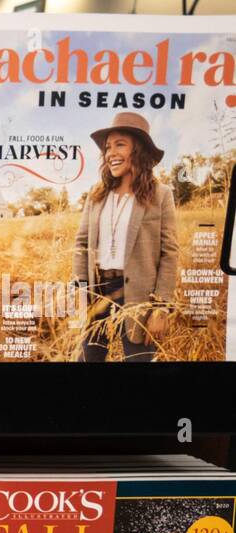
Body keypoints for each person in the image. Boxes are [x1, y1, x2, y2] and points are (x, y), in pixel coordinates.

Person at [72, 112, 178, 362]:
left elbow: (170, 253)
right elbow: (81, 244)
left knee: (139, 361)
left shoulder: (161, 195)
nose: (110, 153)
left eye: (120, 144)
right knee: (87, 359)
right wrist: (80, 290)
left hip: (139, 296)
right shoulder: (96, 195)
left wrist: (161, 307)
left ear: (138, 151)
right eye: (108, 147)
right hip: (97, 293)